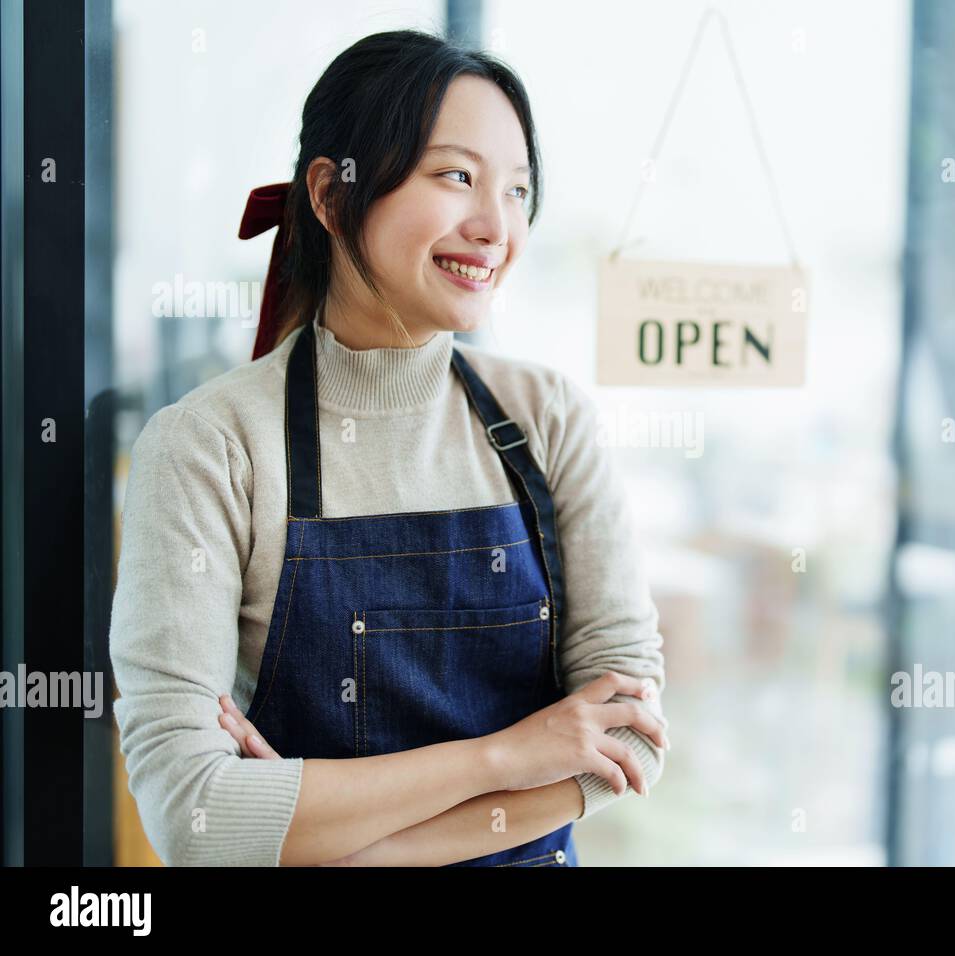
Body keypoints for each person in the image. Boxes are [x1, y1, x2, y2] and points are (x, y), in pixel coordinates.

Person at [108, 29, 669, 867]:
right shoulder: (209, 448)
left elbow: (630, 736)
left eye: (517, 190)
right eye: (457, 177)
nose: (495, 226)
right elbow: (194, 815)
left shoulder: (548, 420)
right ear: (332, 196)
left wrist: (353, 850)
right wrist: (506, 756)